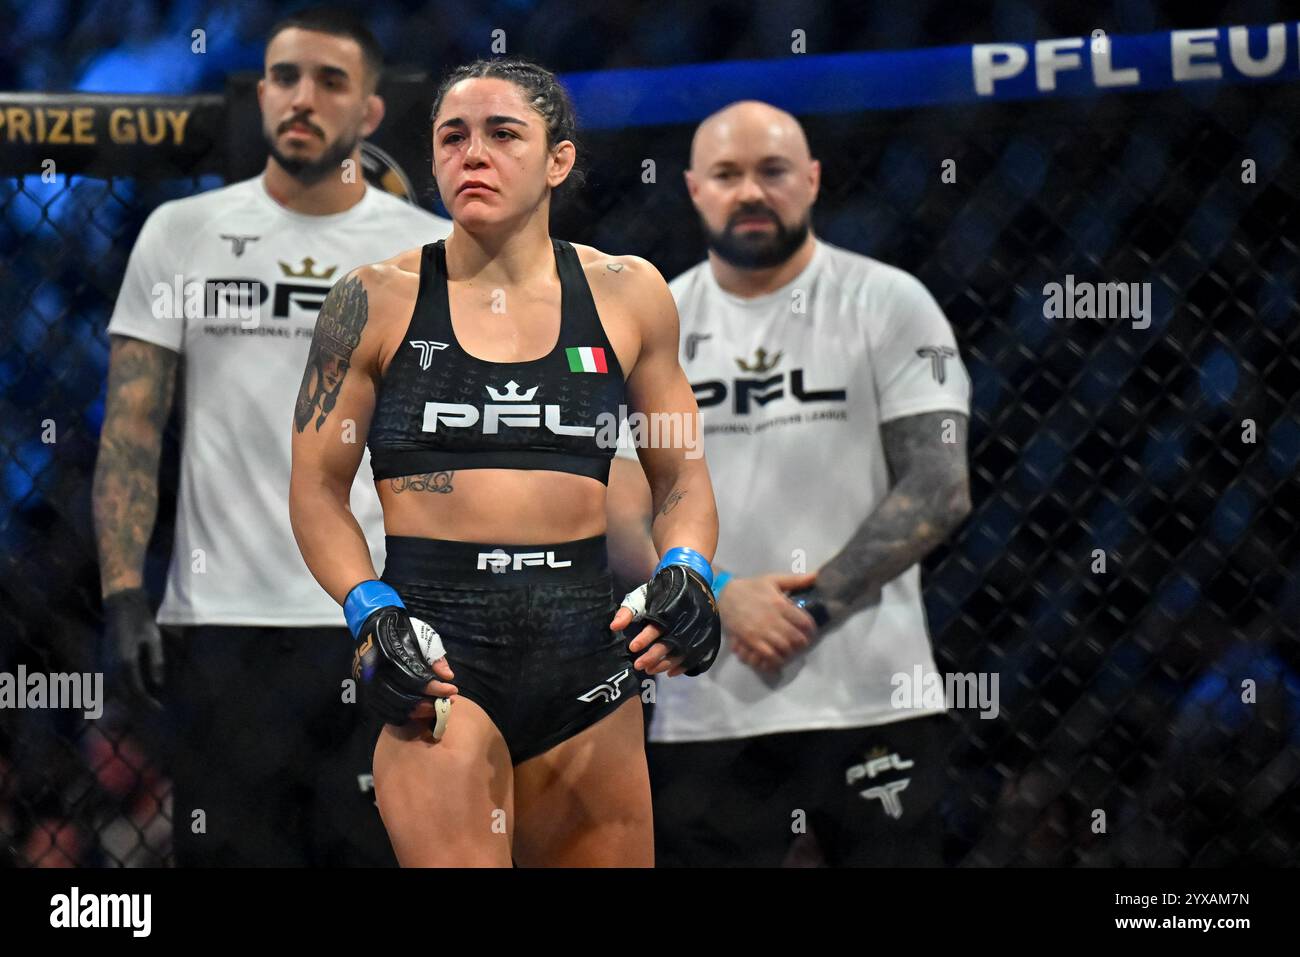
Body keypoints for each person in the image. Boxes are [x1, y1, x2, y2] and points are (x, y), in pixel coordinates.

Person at [288, 58, 721, 867]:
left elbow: (682, 477)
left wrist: (689, 568)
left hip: (589, 654)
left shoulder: (630, 293)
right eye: (452, 137)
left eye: (502, 134)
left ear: (558, 160)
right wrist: (369, 609)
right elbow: (316, 489)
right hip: (442, 654)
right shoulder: (371, 298)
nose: (472, 155)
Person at [93, 8, 452, 866]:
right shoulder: (182, 233)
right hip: (222, 620)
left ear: (370, 113)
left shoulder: (429, 250)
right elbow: (132, 426)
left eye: (331, 81)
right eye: (285, 77)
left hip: (380, 610)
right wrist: (121, 591)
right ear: (261, 96)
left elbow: (453, 443)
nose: (303, 97)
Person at [607, 100, 973, 866]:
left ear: (810, 179)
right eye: (727, 174)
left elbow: (938, 484)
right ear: (693, 188)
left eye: (772, 172)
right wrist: (716, 590)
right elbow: (613, 508)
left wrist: (809, 603)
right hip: (706, 704)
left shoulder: (888, 301)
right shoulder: (653, 322)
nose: (750, 191)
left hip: (872, 692)